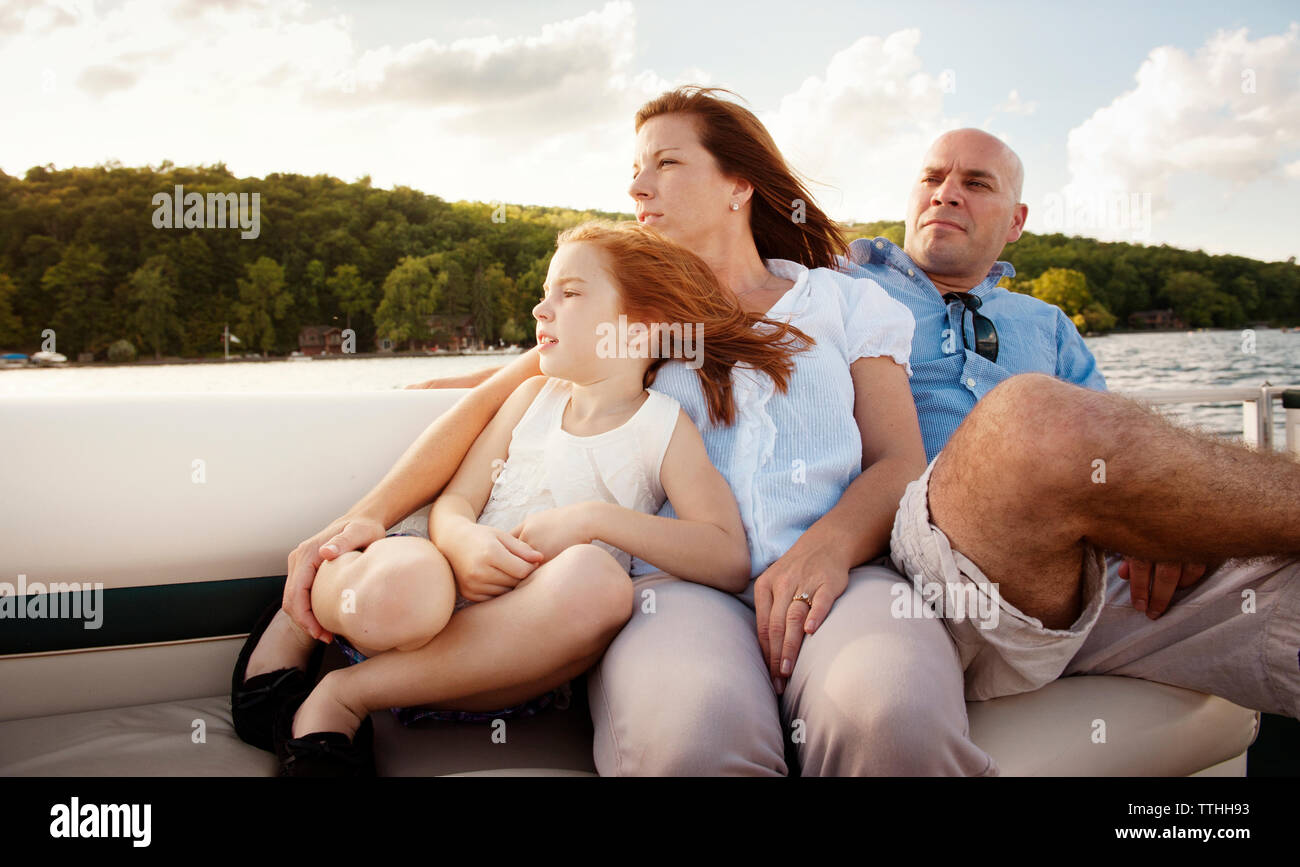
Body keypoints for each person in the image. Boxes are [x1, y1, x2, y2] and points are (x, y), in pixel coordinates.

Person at [257, 85, 952, 776]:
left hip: (841, 573)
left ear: (739, 183)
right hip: (674, 588)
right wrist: (362, 517)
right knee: (693, 744)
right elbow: (495, 401)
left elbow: (898, 460)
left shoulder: (846, 299)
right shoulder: (640, 317)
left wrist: (828, 549)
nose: (638, 188)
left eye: (666, 165)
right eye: (634, 172)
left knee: (895, 722)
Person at [234, 219, 814, 773]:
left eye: (570, 293)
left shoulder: (665, 428)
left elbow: (726, 554)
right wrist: (462, 542)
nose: (542, 308)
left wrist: (595, 520)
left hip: (495, 656)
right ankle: (296, 616)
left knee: (600, 582)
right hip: (424, 582)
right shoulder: (533, 395)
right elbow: (456, 501)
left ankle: (341, 696)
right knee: (409, 588)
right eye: (545, 293)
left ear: (640, 326)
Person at [841, 127, 1300, 723]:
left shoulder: (1048, 323)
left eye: (976, 184)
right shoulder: (838, 286)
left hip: (1061, 575)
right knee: (1029, 414)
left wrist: (1157, 523)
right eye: (932, 178)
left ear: (1016, 221)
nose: (946, 194)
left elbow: (1106, 459)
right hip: (911, 569)